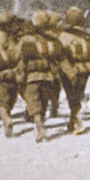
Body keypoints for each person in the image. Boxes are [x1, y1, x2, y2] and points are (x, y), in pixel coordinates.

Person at [16, 11, 61, 142]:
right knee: (43, 101)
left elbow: (17, 54)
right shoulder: (52, 38)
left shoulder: (26, 38)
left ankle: (39, 127)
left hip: (31, 76)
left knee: (33, 101)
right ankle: (41, 122)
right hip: (48, 75)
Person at [55, 7, 90, 135]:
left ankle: (75, 121)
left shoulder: (63, 36)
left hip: (69, 69)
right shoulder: (87, 36)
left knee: (71, 95)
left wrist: (68, 70)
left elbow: (60, 55)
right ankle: (73, 120)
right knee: (78, 93)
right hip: (84, 68)